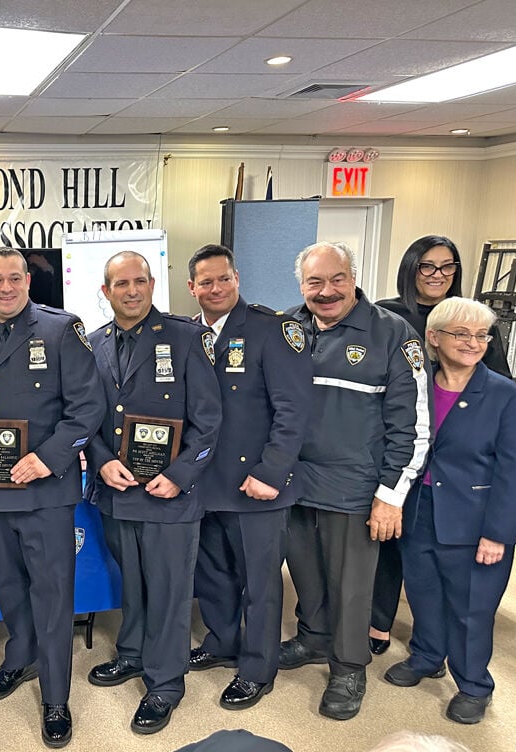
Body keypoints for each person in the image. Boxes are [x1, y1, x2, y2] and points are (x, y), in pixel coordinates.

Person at [0, 247, 104, 748]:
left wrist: (50, 457)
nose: (7, 288)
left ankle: (56, 695)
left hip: (44, 493)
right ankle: (22, 658)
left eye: (15, 278)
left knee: (53, 596)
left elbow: (87, 409)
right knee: (9, 586)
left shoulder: (62, 330)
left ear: (29, 281)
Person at [280, 242, 431, 721]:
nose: (326, 292)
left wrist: (391, 495)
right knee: (303, 572)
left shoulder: (393, 334)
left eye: (336, 279)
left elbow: (414, 424)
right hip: (292, 481)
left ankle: (348, 667)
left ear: (353, 277)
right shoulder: (287, 328)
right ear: (301, 285)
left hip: (356, 485)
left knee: (351, 585)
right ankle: (314, 637)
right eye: (314, 282)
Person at [84, 251, 222, 734]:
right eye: (120, 283)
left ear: (152, 285)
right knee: (135, 583)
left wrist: (181, 475)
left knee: (168, 589)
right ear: (106, 291)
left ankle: (165, 683)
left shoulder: (186, 337)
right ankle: (133, 654)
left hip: (171, 493)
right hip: (118, 492)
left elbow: (209, 422)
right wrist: (102, 461)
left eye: (140, 281)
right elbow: (88, 418)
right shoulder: (93, 343)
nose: (132, 290)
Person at [369, 235, 510, 657]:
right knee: (407, 563)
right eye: (427, 267)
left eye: (447, 267)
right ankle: (398, 634)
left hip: (462, 481)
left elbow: (495, 387)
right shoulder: (388, 317)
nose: (437, 275)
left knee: (460, 587)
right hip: (406, 470)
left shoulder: (477, 329)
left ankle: (465, 674)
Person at [184, 245, 312, 710]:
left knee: (260, 582)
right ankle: (222, 642)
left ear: (237, 279)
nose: (215, 289)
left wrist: (272, 472)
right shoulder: (185, 334)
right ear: (191, 287)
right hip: (202, 483)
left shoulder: (272, 330)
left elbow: (293, 409)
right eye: (206, 282)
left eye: (224, 279)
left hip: (256, 483)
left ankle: (258, 668)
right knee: (214, 575)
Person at [383, 298, 516, 725]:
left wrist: (499, 533)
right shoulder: (417, 385)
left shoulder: (506, 395)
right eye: (461, 334)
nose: (473, 342)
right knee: (424, 592)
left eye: (481, 335)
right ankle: (426, 656)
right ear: (434, 338)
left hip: (475, 520)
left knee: (470, 609)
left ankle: (474, 684)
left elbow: (515, 470)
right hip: (420, 510)